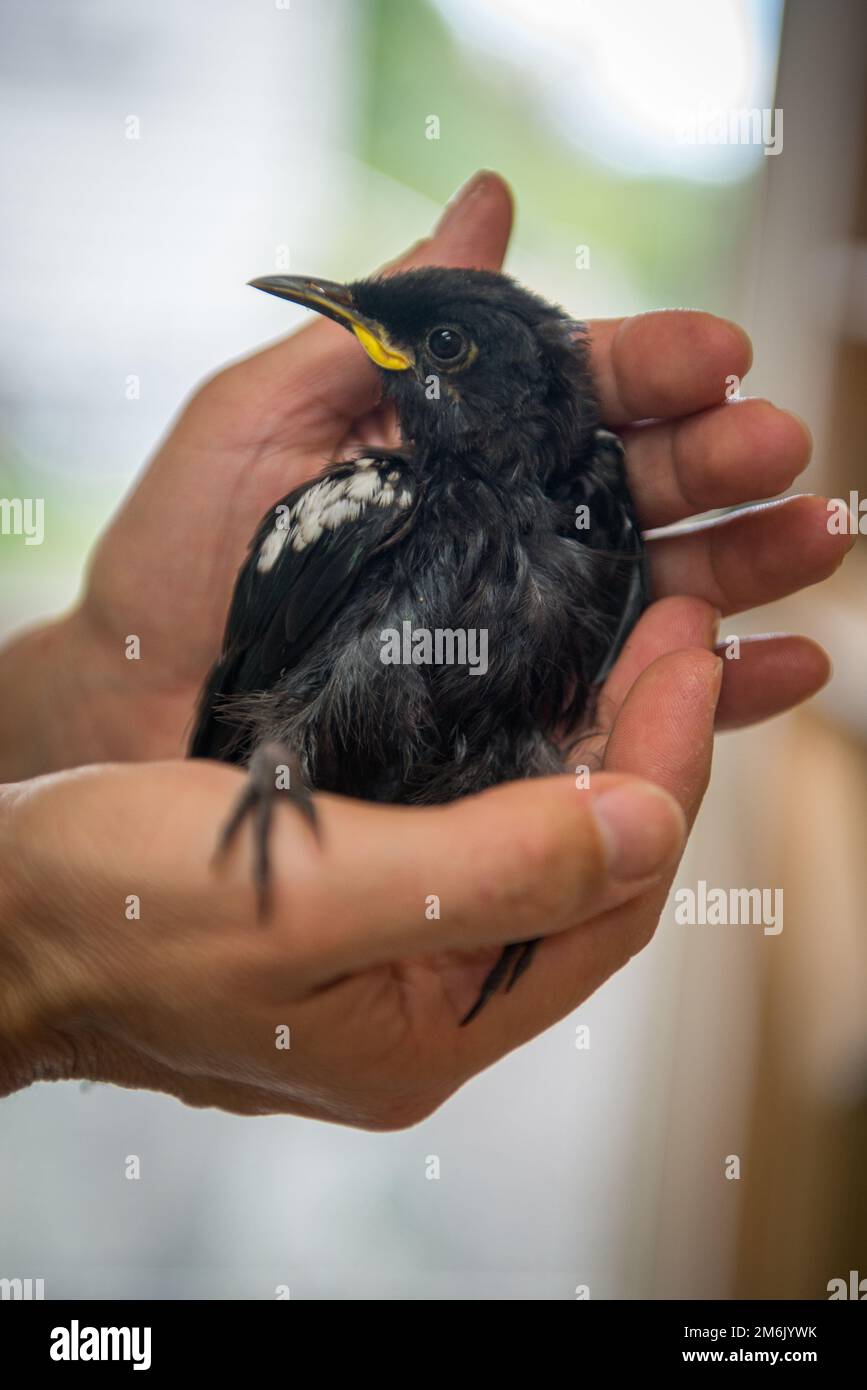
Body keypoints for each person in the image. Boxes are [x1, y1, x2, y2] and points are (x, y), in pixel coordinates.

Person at [0, 172, 845, 1126]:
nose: (397, 349)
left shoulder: (593, 508)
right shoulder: (356, 503)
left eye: (443, 345)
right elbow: (248, 715)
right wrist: (57, 937)